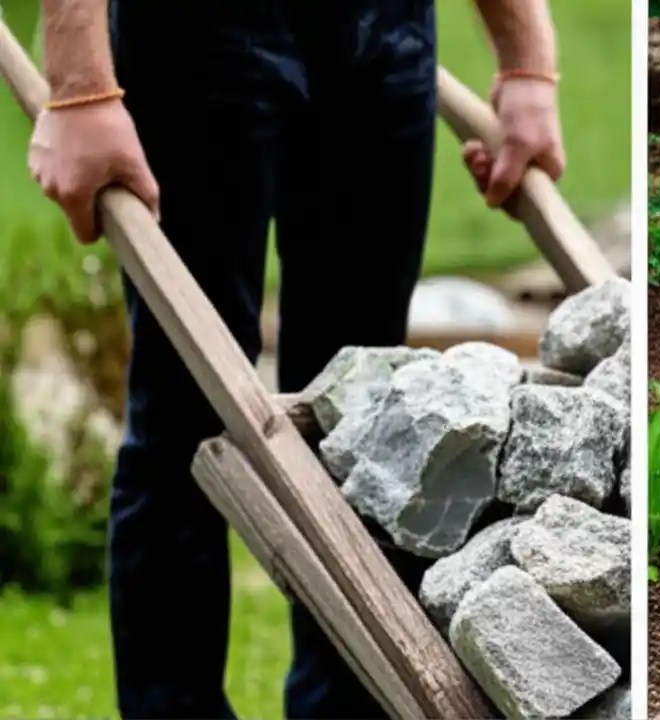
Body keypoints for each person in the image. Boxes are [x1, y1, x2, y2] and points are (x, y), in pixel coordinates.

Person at [27, 0, 564, 716]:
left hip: (387, 36)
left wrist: (527, 59)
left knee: (368, 422)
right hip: (197, 35)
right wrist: (81, 85)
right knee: (186, 415)